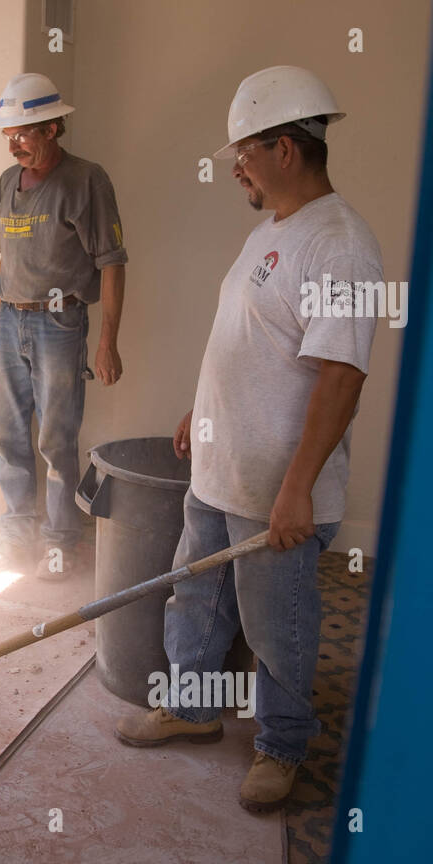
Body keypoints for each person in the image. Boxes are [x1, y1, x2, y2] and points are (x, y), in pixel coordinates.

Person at [114, 66, 382, 813]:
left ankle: (283, 746)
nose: (235, 164)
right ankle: (194, 710)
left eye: (245, 151)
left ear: (286, 149)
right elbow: (245, 341)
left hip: (278, 491)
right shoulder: (270, 230)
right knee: (195, 600)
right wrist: (198, 415)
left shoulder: (342, 247)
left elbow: (341, 380)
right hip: (221, 467)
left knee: (279, 626)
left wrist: (296, 488)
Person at [0, 73, 128, 582]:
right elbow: (6, 255)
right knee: (8, 433)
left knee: (57, 438)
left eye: (26, 131)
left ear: (54, 127)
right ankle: (17, 533)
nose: (16, 142)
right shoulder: (6, 183)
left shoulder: (87, 180)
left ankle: (61, 542)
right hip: (12, 319)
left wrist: (108, 340)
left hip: (60, 324)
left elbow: (112, 262)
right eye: (10, 133)